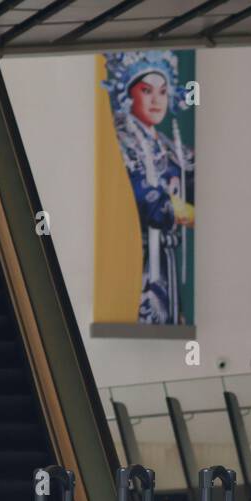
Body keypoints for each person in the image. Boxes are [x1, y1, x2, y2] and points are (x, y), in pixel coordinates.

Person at [103, 51, 195, 325]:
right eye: (147, 90)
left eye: (163, 91)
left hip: (166, 255)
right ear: (128, 94)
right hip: (135, 251)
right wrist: (177, 208)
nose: (157, 99)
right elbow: (145, 199)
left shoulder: (169, 145)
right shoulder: (121, 141)